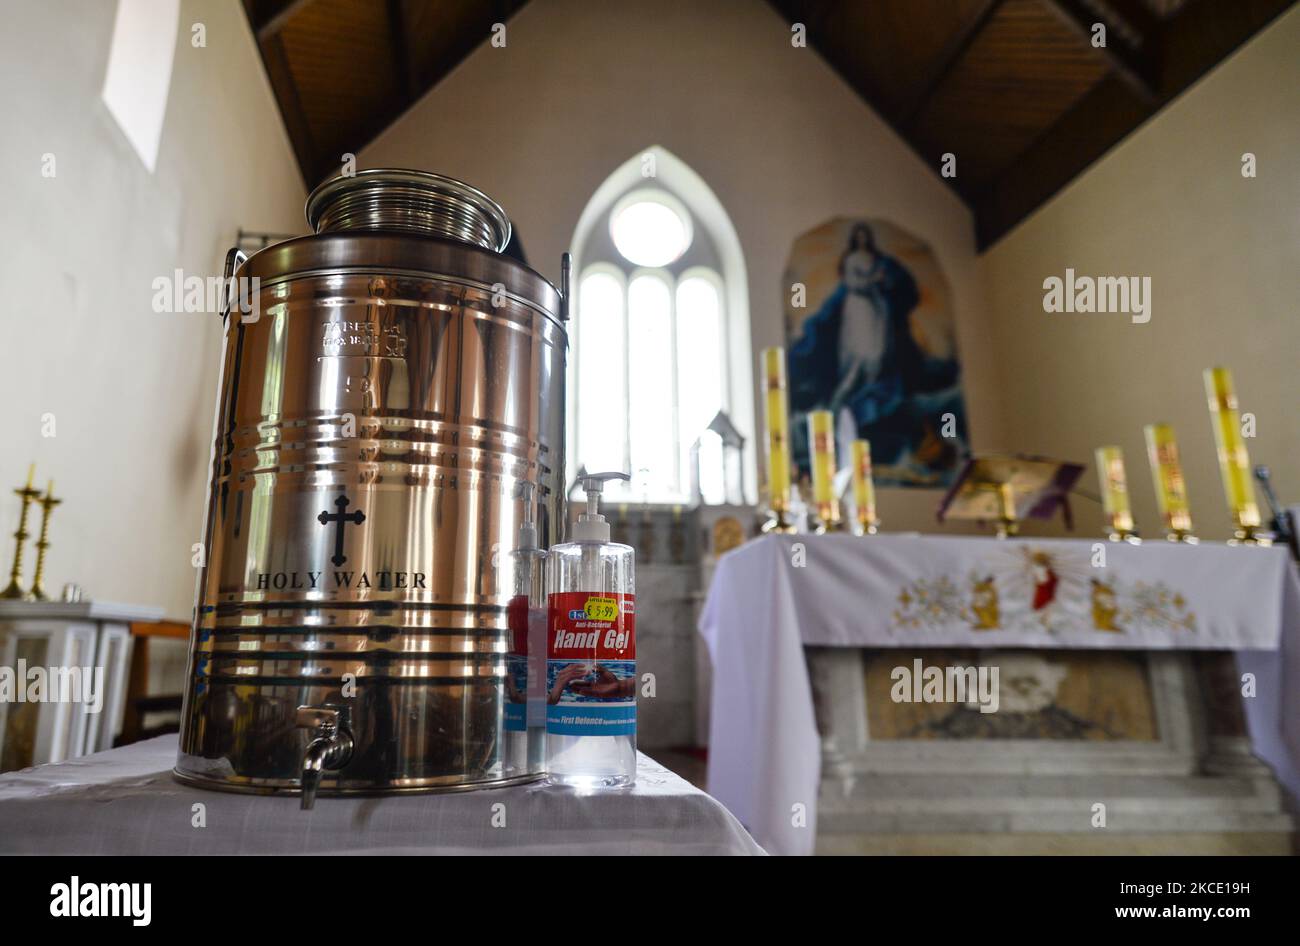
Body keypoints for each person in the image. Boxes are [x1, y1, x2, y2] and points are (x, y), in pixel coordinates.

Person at [789, 223, 961, 469]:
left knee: (879, 355)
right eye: (856, 236)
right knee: (859, 356)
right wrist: (872, 281)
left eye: (863, 236)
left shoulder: (882, 261)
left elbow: (902, 285)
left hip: (876, 311)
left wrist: (884, 282)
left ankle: (875, 394)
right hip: (858, 309)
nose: (861, 239)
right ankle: (843, 401)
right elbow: (853, 283)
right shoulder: (852, 262)